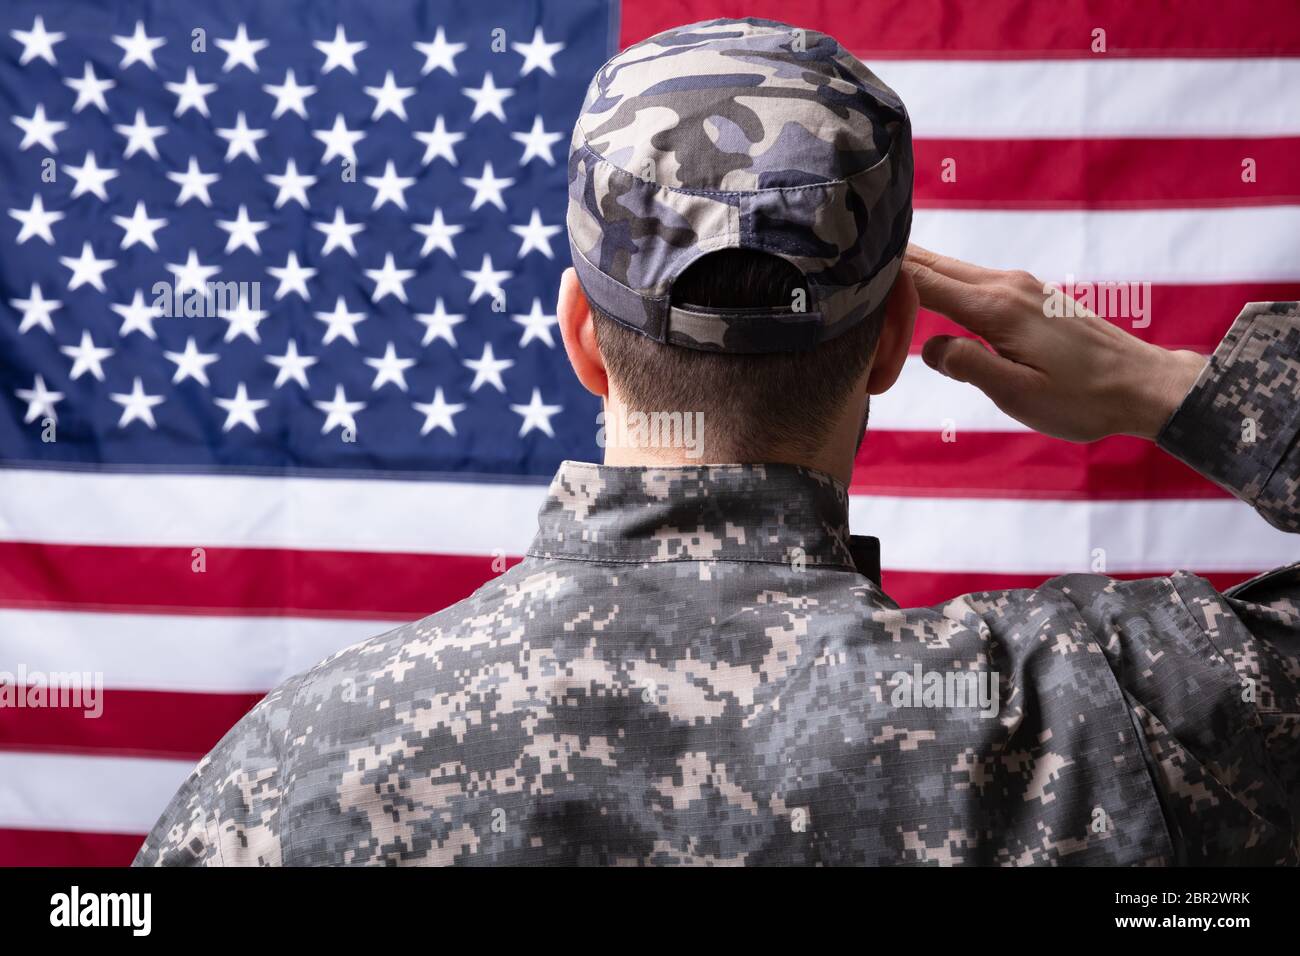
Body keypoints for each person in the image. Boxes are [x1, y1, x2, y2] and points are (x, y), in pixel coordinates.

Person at [135, 17, 1297, 866]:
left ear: (582, 334)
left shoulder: (293, 766)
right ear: (893, 339)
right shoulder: (1095, 719)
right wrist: (1173, 386)